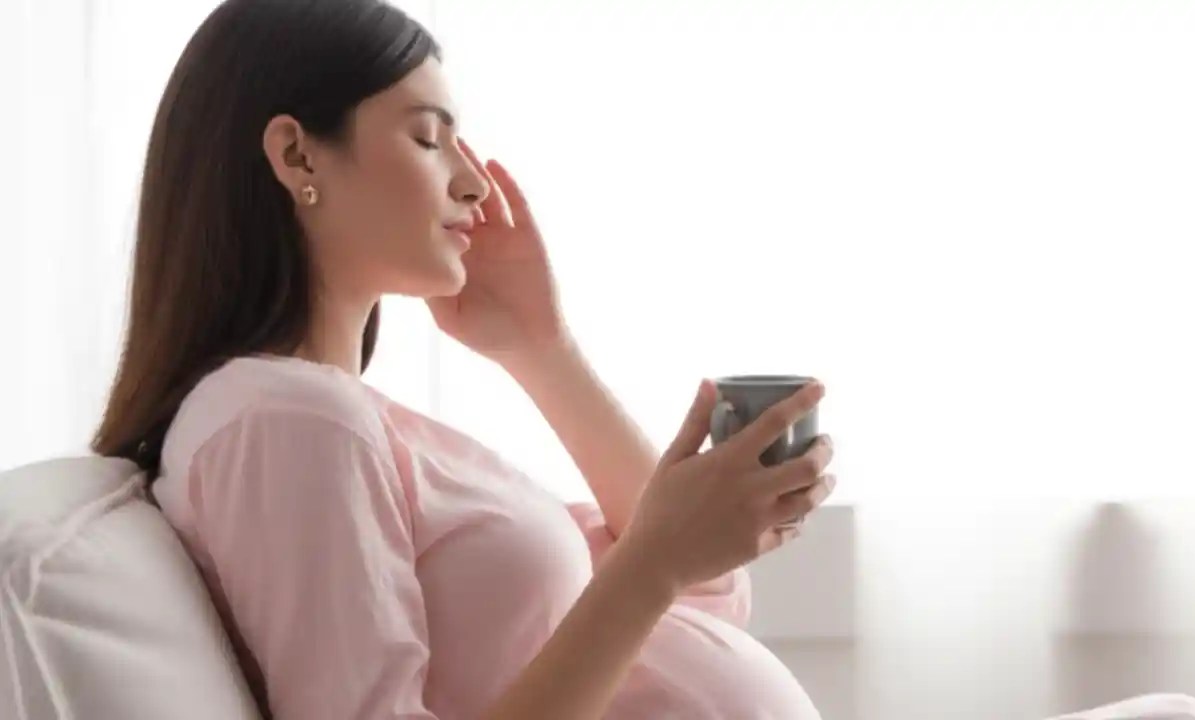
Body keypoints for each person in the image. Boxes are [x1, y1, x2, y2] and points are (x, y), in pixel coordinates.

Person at [91, 0, 837, 717]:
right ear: (296, 154)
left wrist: (540, 346)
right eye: (428, 138)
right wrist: (653, 564)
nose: (474, 183)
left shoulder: (340, 418)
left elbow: (704, 591)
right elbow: (663, 575)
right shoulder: (288, 420)